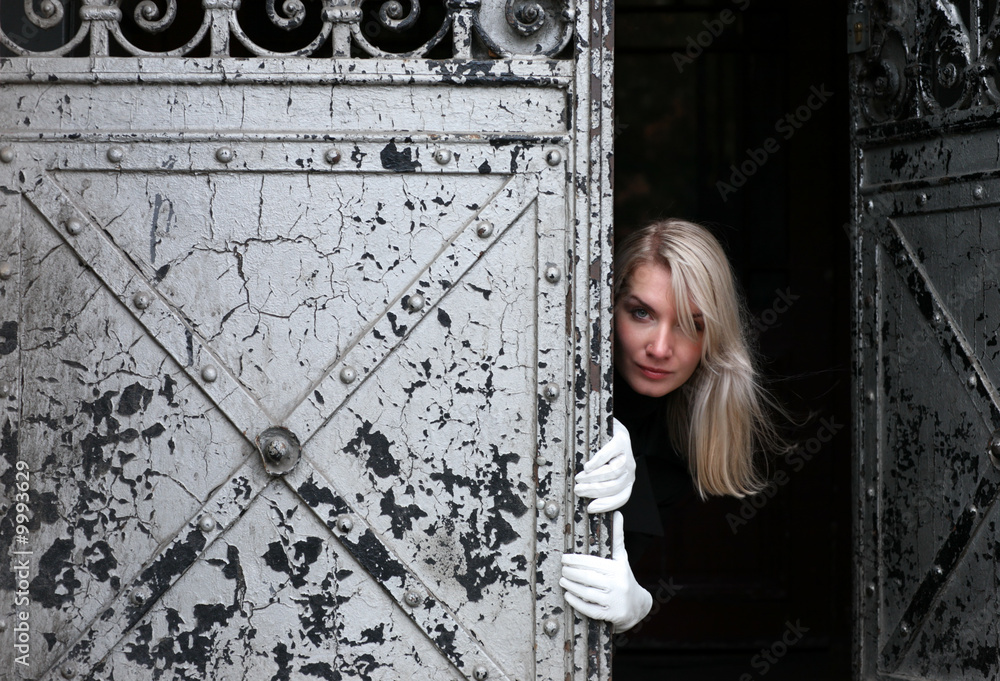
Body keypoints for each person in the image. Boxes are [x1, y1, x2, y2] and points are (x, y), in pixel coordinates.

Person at [560, 219, 783, 632]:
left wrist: (637, 605)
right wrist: (598, 422)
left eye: (689, 324)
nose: (660, 348)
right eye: (641, 313)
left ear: (713, 337)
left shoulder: (679, 441)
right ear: (606, 309)